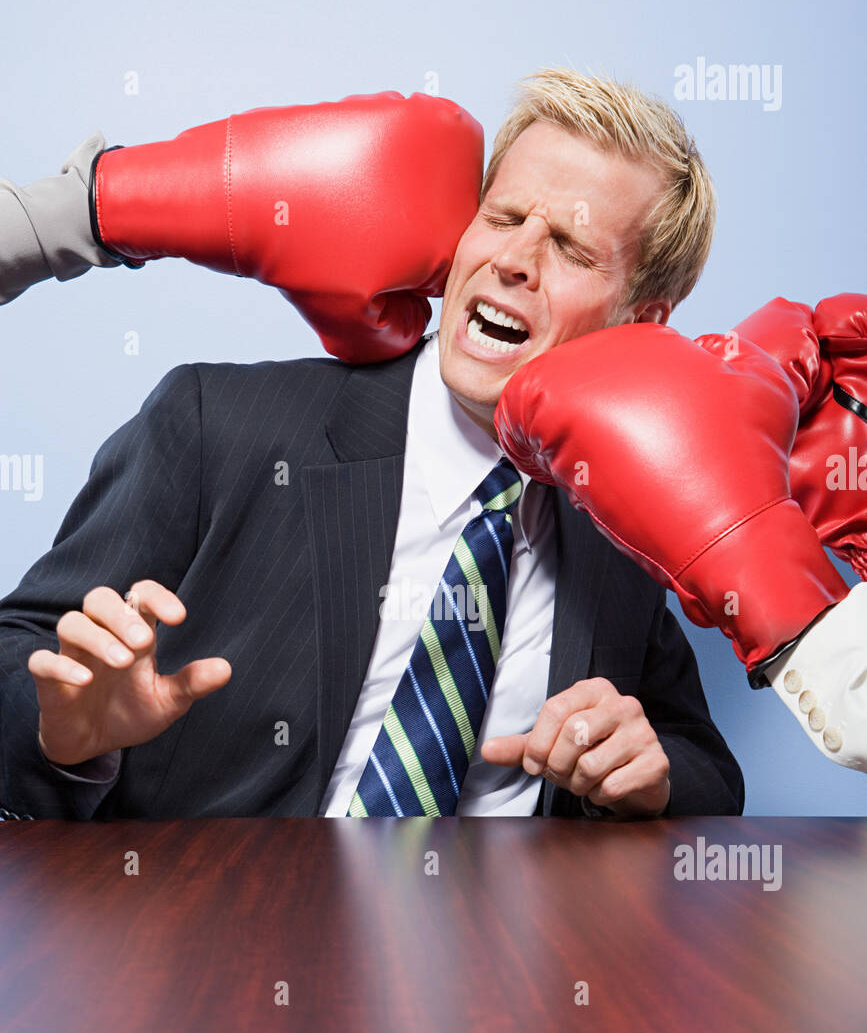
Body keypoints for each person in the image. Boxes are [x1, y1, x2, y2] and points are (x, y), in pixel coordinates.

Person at [0, 70, 747, 819]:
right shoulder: (217, 424)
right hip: (219, 919)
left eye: (572, 250)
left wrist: (648, 773)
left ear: (639, 324)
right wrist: (64, 731)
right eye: (503, 216)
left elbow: (702, 767)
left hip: (491, 932)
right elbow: (22, 648)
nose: (513, 260)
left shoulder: (617, 520)